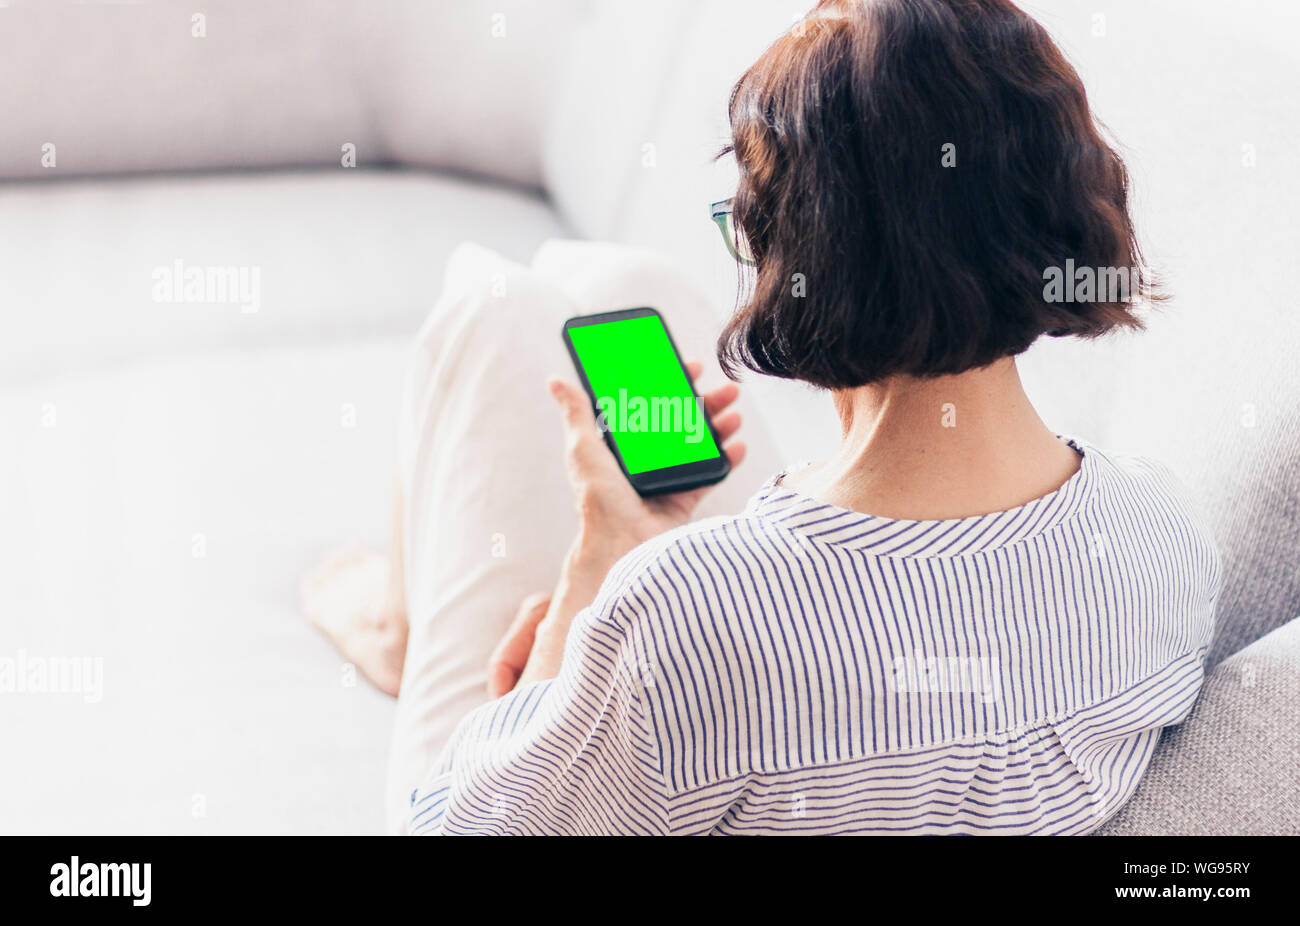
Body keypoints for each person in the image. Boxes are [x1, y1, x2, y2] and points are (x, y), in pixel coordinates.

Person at [302, 0, 1219, 835]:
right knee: (627, 289)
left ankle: (399, 625)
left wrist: (585, 590)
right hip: (797, 635)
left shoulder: (678, 617)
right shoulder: (1164, 538)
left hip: (683, 676)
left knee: (491, 302)